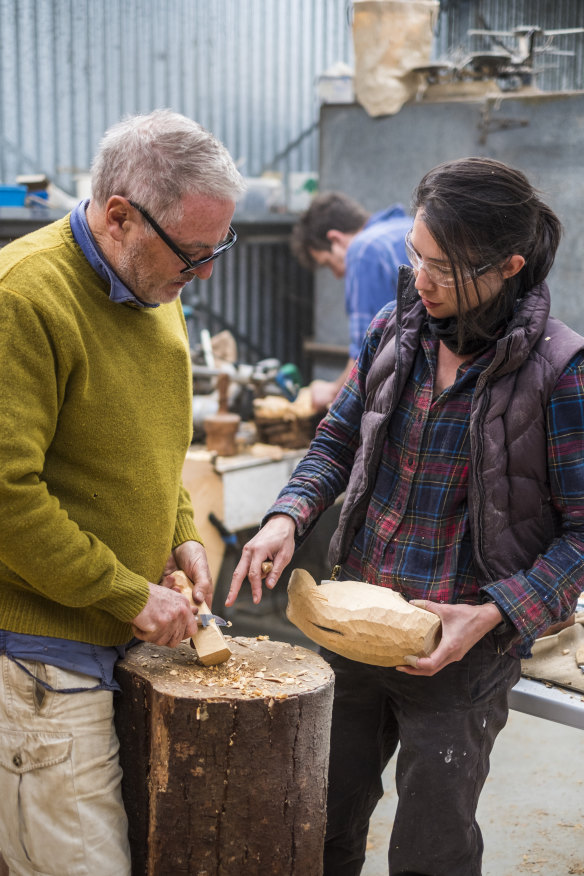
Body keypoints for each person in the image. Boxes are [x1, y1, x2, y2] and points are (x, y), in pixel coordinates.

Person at [226, 157, 584, 876]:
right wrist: (287, 517)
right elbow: (336, 439)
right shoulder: (397, 329)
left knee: (431, 852)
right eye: (417, 256)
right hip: (354, 623)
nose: (422, 280)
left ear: (508, 267)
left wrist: (492, 614)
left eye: (444, 268)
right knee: (319, 824)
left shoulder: (560, 369)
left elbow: (581, 532)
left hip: (460, 652)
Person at [0, 108, 244, 875]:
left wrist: (179, 530)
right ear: (118, 217)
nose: (204, 273)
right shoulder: (24, 299)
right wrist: (128, 592)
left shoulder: (157, 285)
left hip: (121, 639)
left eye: (218, 249)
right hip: (42, 655)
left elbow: (153, 440)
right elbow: (8, 499)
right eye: (194, 253)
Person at [291, 191, 411, 411]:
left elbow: (367, 353)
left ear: (335, 239)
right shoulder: (407, 226)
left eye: (328, 263)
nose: (337, 275)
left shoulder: (363, 250)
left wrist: (333, 391)